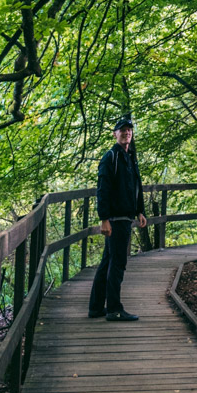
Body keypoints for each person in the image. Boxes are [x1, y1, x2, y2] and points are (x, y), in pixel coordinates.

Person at [88, 116, 148, 321]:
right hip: (116, 219)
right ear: (115, 134)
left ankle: (96, 307)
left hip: (125, 216)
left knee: (108, 262)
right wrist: (104, 218)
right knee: (117, 263)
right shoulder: (111, 157)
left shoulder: (129, 157)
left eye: (129, 130)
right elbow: (103, 189)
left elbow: (136, 186)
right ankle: (114, 308)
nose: (127, 133)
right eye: (122, 130)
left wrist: (140, 211)